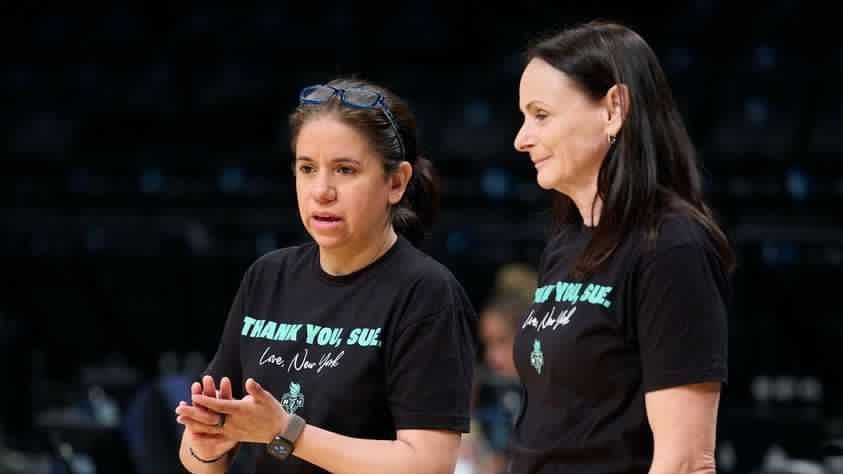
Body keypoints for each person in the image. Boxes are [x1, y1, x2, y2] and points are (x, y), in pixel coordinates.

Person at [174, 78, 477, 474]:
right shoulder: (267, 276)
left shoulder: (427, 293)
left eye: (344, 170)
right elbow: (200, 460)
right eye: (307, 168)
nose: (321, 191)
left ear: (396, 182)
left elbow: (427, 464)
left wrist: (285, 431)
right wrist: (207, 445)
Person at [509, 20, 734, 473]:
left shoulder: (672, 247)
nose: (521, 139)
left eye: (541, 115)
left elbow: (687, 461)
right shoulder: (566, 244)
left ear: (613, 108)